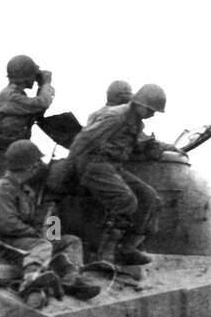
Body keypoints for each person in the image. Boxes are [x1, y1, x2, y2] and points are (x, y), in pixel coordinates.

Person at [0, 140, 99, 302]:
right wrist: (37, 234)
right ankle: (30, 280)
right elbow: (7, 224)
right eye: (37, 162)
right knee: (42, 245)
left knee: (70, 241)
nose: (40, 166)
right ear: (30, 166)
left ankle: (71, 278)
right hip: (2, 244)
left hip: (23, 240)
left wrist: (50, 231)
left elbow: (39, 220)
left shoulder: (25, 189)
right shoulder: (3, 189)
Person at [64, 83, 177, 265]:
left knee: (148, 197)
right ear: (139, 103)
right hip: (94, 163)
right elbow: (84, 139)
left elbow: (140, 143)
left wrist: (163, 148)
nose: (153, 114)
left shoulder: (136, 122)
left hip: (113, 165)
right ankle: (105, 254)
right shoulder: (116, 116)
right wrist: (69, 166)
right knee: (125, 200)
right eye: (150, 110)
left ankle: (128, 248)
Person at [0, 55, 54, 184]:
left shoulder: (15, 95)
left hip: (12, 154)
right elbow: (42, 103)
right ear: (26, 77)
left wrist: (41, 87)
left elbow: (36, 110)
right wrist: (46, 84)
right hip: (3, 157)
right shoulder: (11, 96)